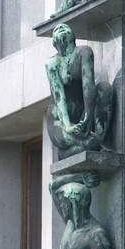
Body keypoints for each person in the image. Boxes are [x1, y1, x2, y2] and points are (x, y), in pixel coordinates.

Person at [45, 22, 114, 156]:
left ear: (73, 36)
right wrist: (67, 126)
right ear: (54, 43)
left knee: (104, 88)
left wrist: (88, 116)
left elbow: (88, 85)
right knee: (84, 142)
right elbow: (59, 97)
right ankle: (77, 150)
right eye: (57, 29)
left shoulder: (83, 52)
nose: (61, 27)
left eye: (65, 27)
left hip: (83, 116)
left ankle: (97, 140)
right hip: (60, 121)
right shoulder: (52, 63)